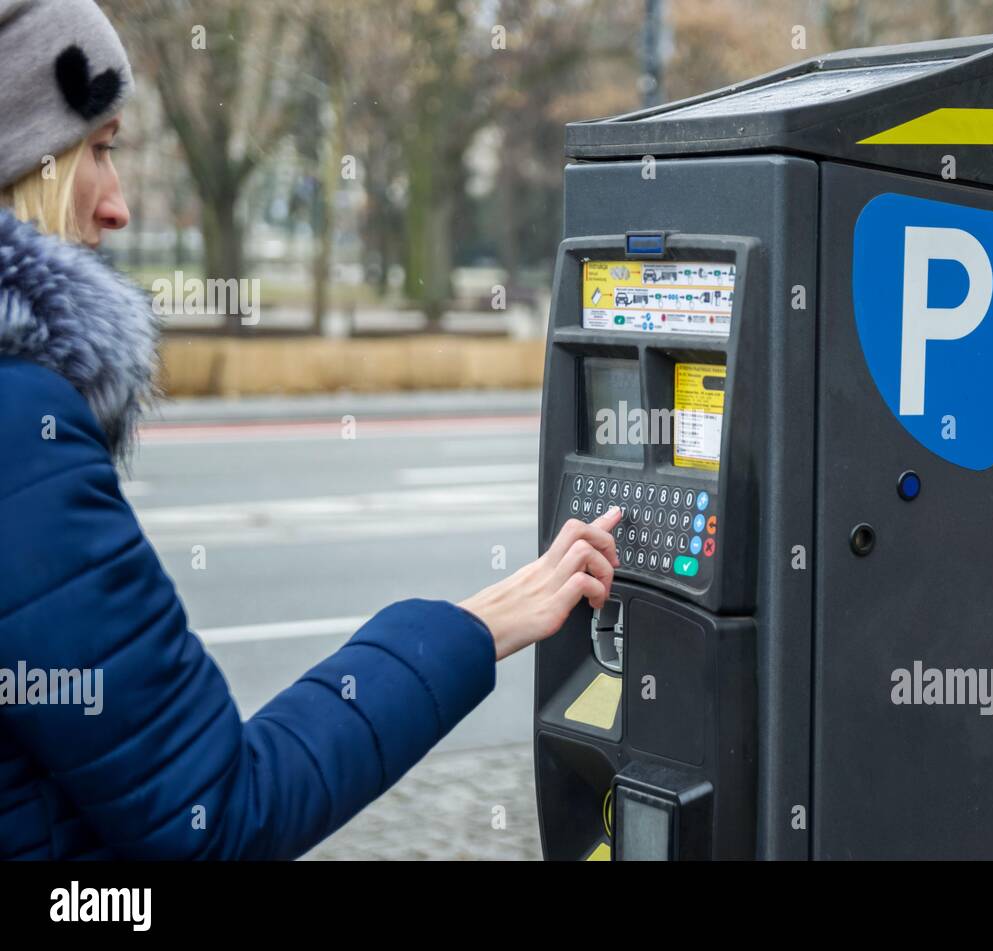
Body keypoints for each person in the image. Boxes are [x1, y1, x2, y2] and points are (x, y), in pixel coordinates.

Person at [0, 0, 620, 860]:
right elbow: (218, 816)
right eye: (99, 149)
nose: (118, 207)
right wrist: (472, 629)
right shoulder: (19, 434)